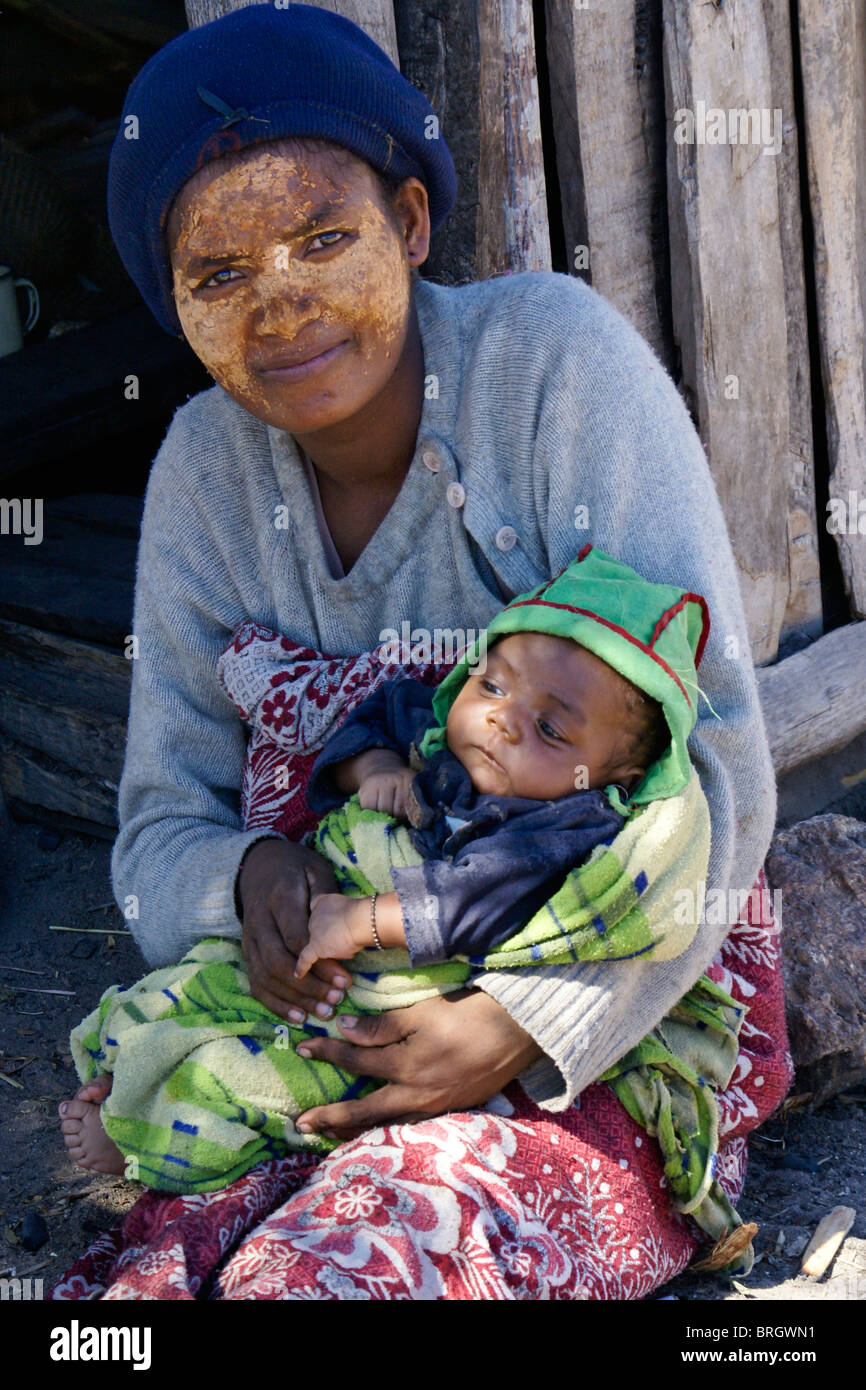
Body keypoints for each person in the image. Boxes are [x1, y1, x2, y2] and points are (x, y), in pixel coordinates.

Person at [52, 3, 792, 1301]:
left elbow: (718, 762)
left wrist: (523, 1023)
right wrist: (248, 875)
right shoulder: (201, 480)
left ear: (407, 221)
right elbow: (160, 827)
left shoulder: (557, 370)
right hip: (338, 998)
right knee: (172, 1255)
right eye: (218, 275)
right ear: (173, 307)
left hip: (615, 978)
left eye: (322, 239)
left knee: (380, 1251)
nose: (282, 307)